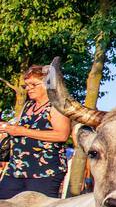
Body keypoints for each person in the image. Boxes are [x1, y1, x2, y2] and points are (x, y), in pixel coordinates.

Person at [0, 65, 72, 199]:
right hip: (16, 170)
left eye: (33, 84)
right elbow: (19, 129)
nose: (28, 88)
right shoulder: (27, 106)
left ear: (48, 85)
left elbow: (62, 135)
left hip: (44, 172)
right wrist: (8, 129)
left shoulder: (56, 106)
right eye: (26, 85)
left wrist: (22, 131)